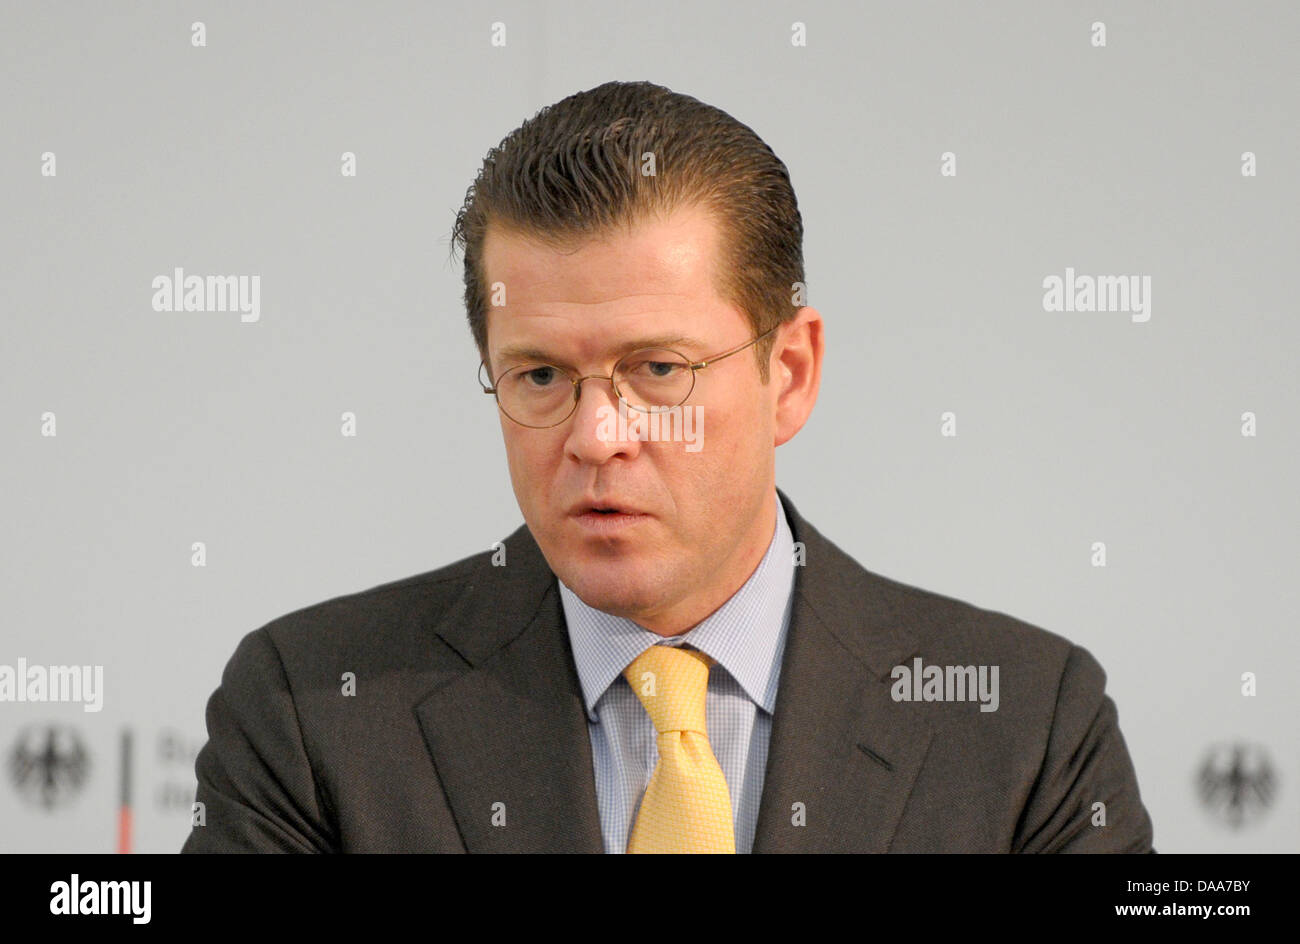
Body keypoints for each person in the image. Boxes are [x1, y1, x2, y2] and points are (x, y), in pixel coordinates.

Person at [182, 80, 1154, 853]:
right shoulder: (313, 708)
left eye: (657, 369)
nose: (597, 433)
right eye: (540, 373)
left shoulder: (1023, 722)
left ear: (791, 372)